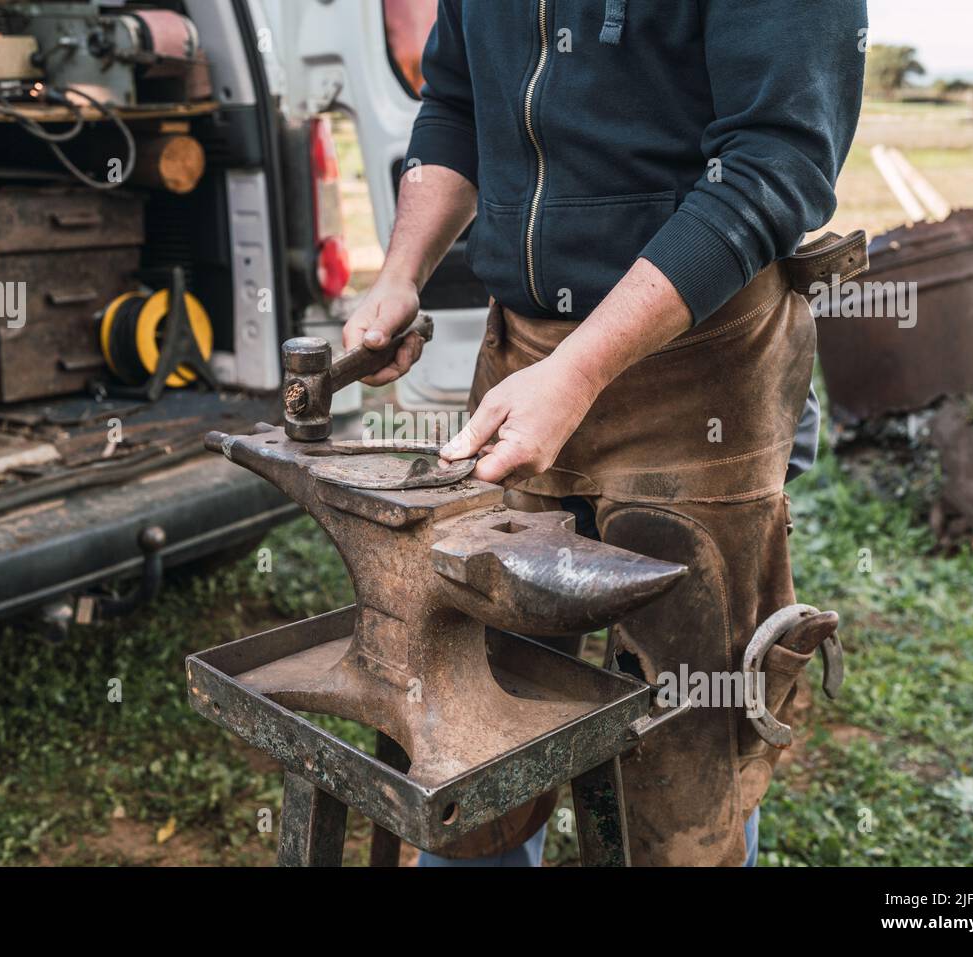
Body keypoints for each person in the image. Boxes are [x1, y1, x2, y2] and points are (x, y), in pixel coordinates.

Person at [344, 0, 868, 866]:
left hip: (699, 369)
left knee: (691, 723)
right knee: (479, 700)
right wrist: (402, 272)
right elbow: (455, 104)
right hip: (522, 357)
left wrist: (581, 370)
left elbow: (777, 162)